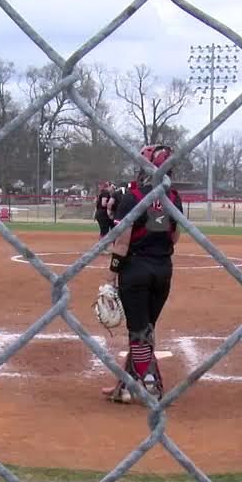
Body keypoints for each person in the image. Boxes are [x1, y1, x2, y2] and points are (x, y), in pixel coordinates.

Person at [102, 144, 182, 404]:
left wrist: (110, 276)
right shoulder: (173, 196)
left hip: (135, 270)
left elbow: (122, 243)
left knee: (138, 333)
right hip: (162, 270)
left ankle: (151, 386)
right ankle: (124, 386)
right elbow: (175, 236)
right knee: (144, 330)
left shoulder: (133, 196)